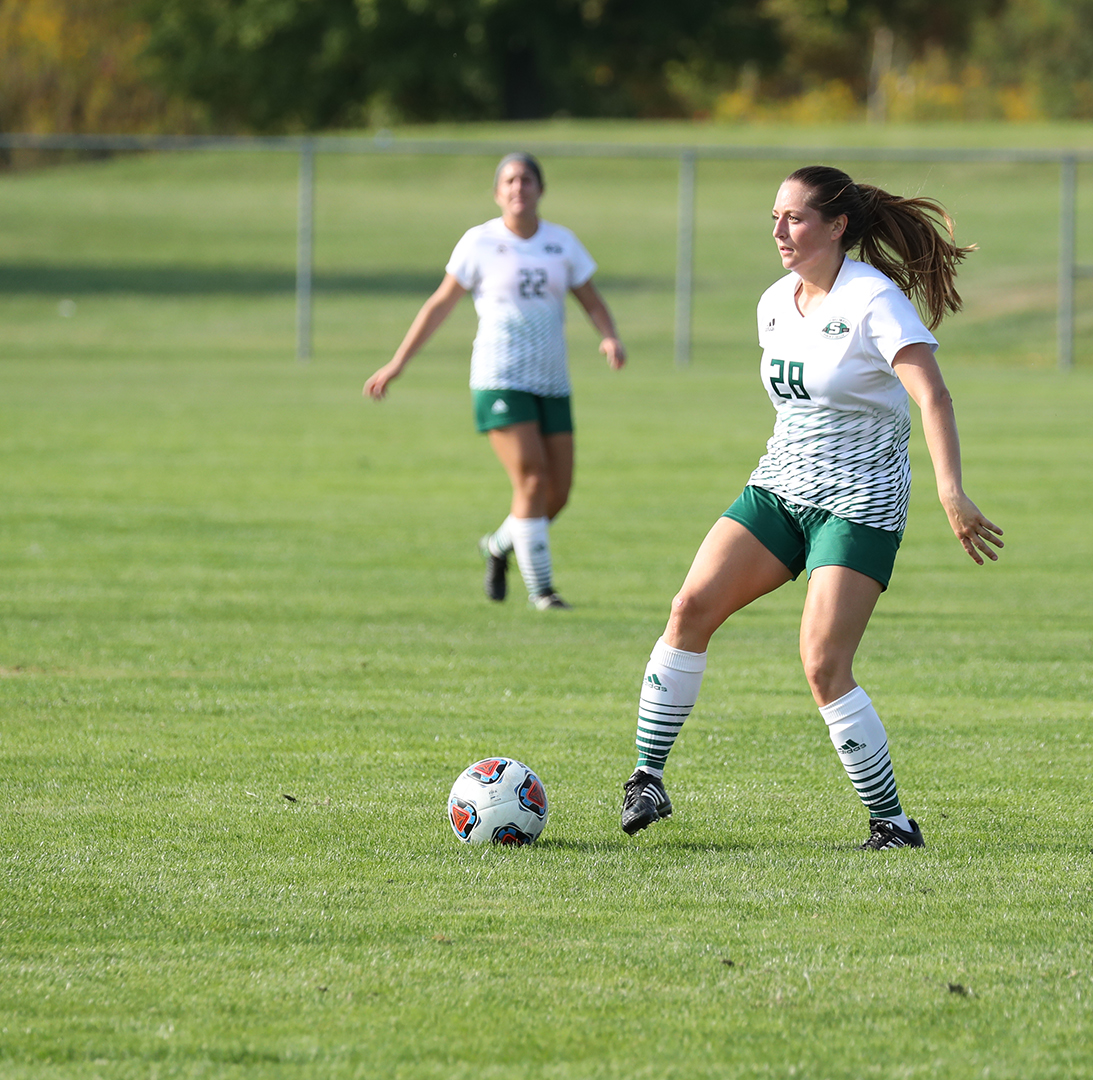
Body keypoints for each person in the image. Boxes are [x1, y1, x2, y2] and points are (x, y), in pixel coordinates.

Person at [617, 165, 1003, 850]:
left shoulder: (872, 300)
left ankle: (893, 824)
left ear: (837, 225)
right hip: (780, 489)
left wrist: (951, 490)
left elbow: (933, 396)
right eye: (774, 217)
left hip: (859, 502)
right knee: (689, 609)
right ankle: (646, 776)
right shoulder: (772, 303)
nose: (778, 230)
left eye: (794, 217)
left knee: (823, 662)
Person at [364, 152, 626, 610]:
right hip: (499, 375)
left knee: (555, 494)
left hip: (552, 380)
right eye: (509, 181)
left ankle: (498, 546)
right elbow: (440, 304)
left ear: (541, 190)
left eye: (526, 180)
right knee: (531, 480)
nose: (518, 188)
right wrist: (397, 362)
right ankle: (542, 591)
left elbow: (591, 300)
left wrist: (609, 337)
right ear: (497, 192)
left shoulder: (561, 243)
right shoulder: (478, 242)